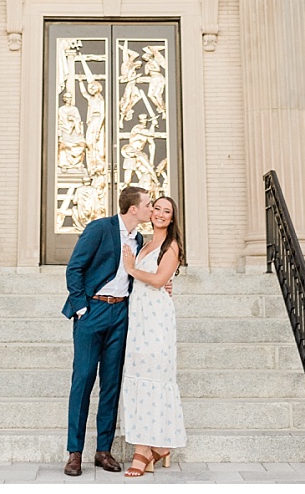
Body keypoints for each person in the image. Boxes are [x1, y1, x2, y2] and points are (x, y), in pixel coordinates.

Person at [62, 185, 151, 476]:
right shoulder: (100, 228)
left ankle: (103, 451)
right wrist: (81, 308)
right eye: (148, 204)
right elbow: (74, 268)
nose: (151, 209)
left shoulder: (138, 238)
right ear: (133, 208)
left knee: (111, 384)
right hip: (93, 311)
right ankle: (74, 453)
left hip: (120, 313)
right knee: (83, 380)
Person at [121, 194, 189, 476]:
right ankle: (158, 447)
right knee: (138, 377)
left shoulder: (171, 245)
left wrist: (132, 269)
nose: (160, 213)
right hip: (138, 318)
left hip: (157, 320)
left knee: (152, 379)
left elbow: (160, 280)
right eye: (157, 208)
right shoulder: (144, 244)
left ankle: (143, 451)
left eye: (166, 211)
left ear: (172, 218)